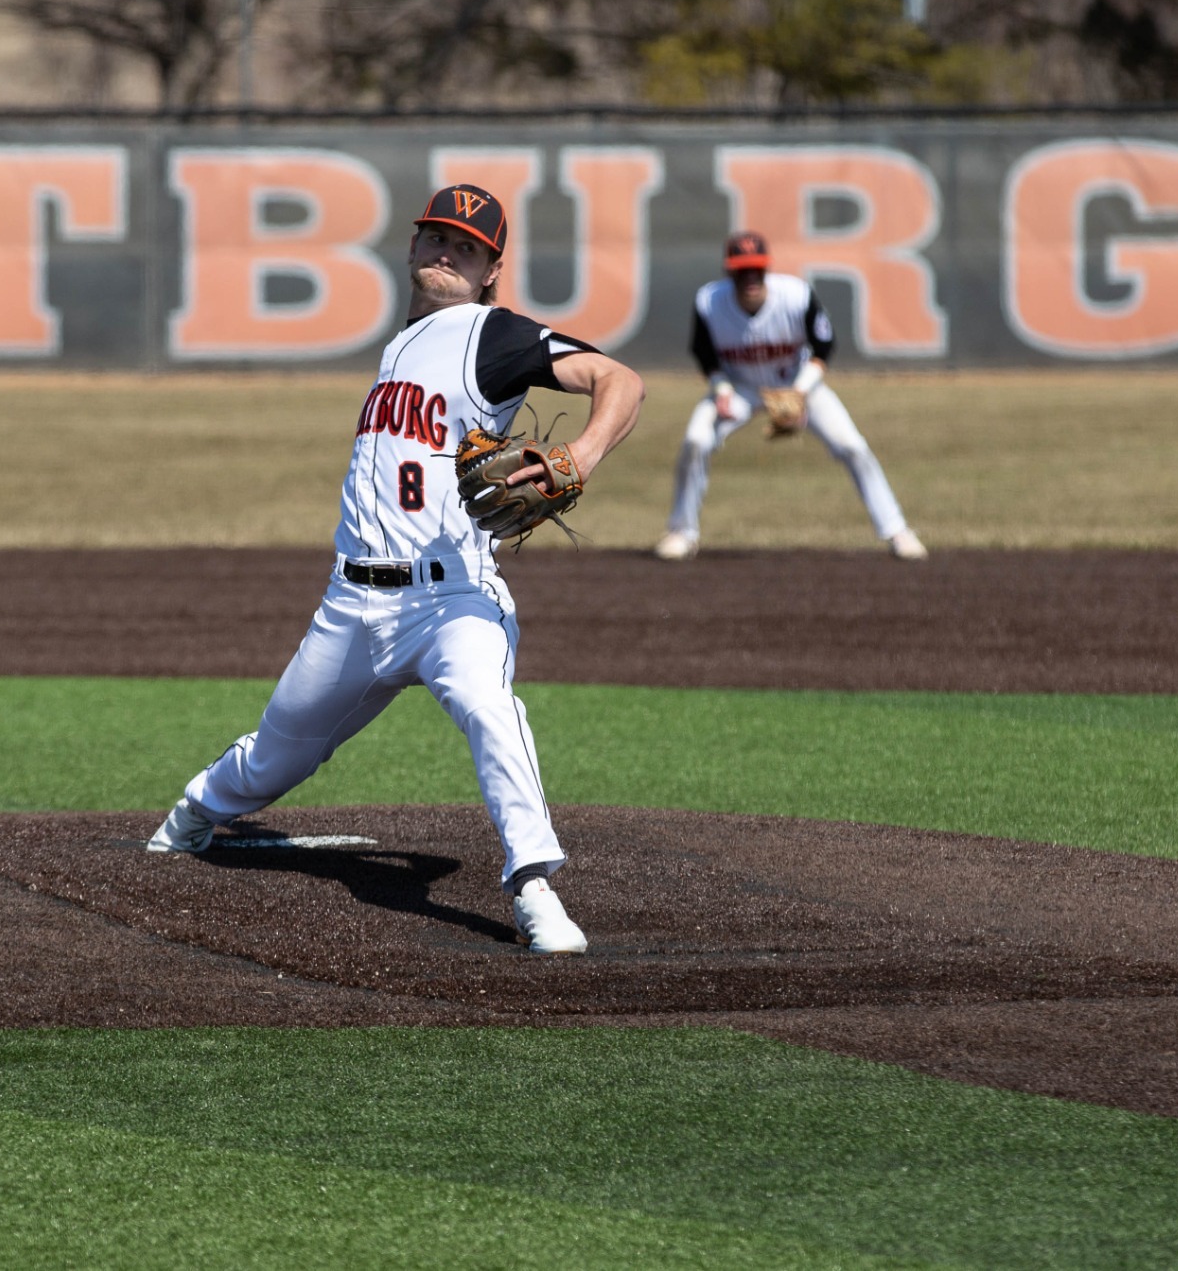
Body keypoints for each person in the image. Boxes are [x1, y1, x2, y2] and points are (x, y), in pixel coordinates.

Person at [148, 182, 645, 956]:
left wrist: (579, 453)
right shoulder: (403, 347)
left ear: (490, 270)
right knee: (275, 756)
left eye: (469, 248)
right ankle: (188, 818)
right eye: (438, 238)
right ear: (414, 247)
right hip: (351, 603)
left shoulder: (493, 332)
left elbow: (622, 381)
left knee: (489, 706)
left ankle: (534, 885)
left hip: (451, 601)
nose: (449, 252)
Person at [654, 231, 927, 562]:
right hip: (740, 387)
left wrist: (798, 392)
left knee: (852, 445)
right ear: (729, 271)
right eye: (742, 270)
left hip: (797, 383)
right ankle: (682, 531)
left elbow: (824, 347)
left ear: (766, 268)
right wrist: (721, 389)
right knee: (696, 440)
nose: (750, 277)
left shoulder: (795, 295)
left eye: (757, 269)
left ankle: (898, 530)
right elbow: (704, 354)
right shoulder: (709, 302)